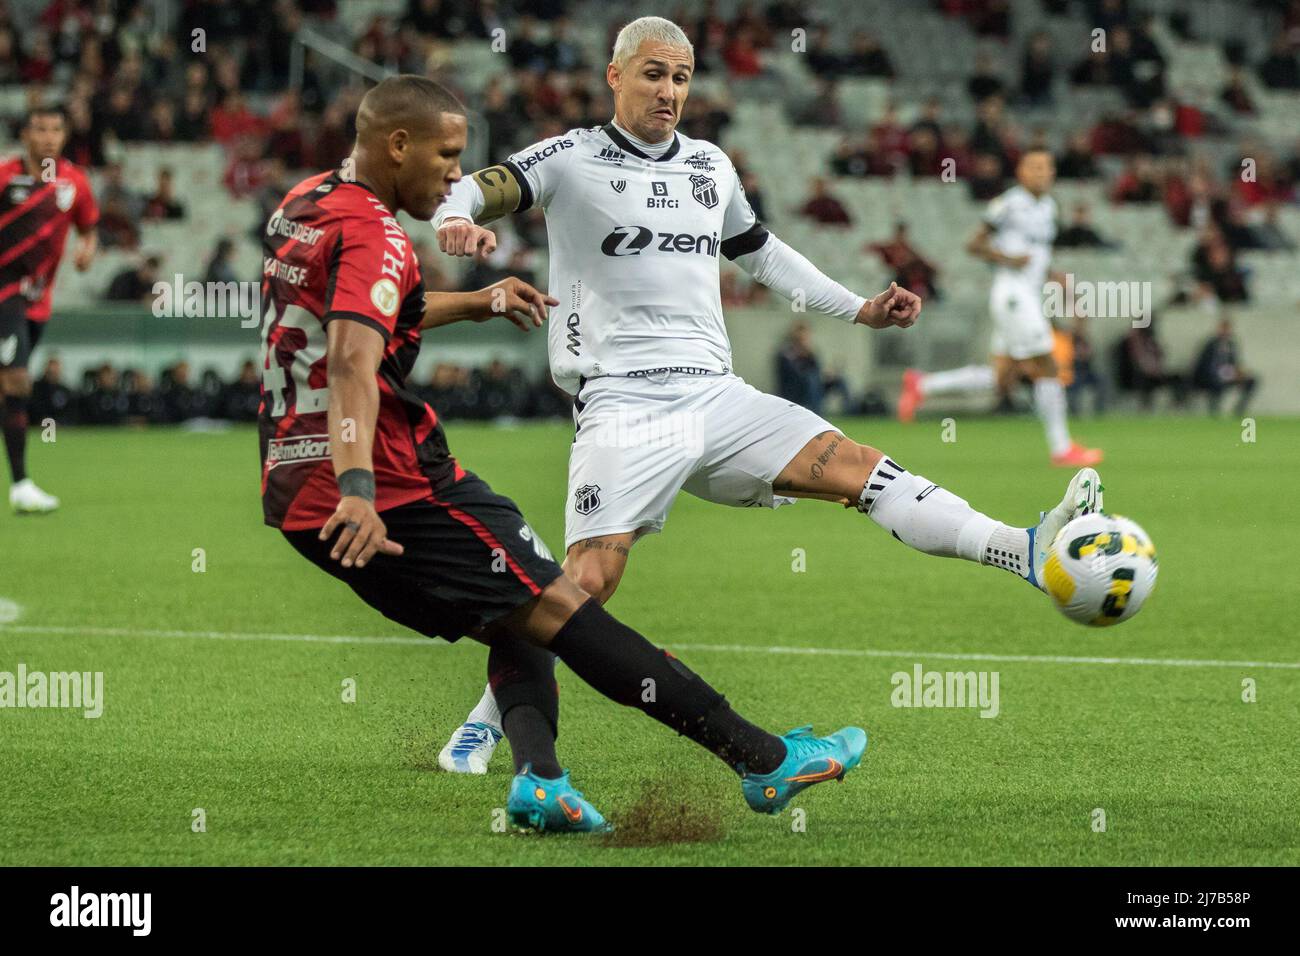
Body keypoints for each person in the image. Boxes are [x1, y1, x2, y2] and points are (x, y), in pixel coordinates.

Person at [432, 18, 1104, 774]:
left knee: (861, 468)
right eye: (653, 74)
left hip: (718, 396)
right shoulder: (571, 157)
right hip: (622, 404)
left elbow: (764, 256)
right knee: (584, 584)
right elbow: (477, 185)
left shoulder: (709, 167)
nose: (669, 91)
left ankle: (1024, 548)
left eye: (681, 78)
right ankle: (485, 727)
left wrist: (859, 307)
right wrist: (455, 217)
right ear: (614, 74)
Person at [260, 74, 868, 832]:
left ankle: (540, 781)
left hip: (296, 490)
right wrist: (358, 484)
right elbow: (352, 361)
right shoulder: (377, 236)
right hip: (387, 486)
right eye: (447, 156)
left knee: (521, 608)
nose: (456, 175)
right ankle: (763, 758)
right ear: (397, 144)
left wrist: (478, 301)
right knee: (559, 605)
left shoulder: (306, 204)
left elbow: (369, 315)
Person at [898, 150, 1103, 467]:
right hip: (1012, 294)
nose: (1042, 173)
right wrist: (1009, 260)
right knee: (1047, 364)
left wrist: (1054, 276)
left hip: (1029, 293)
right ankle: (1061, 448)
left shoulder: (1048, 207)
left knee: (1001, 379)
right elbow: (974, 244)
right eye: (1034, 167)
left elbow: (1036, 254)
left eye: (1047, 167)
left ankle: (922, 385)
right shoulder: (1008, 204)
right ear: (1020, 172)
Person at [0, 105, 98, 514]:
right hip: (4, 294)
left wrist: (86, 251)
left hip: (38, 302)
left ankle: (21, 482)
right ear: (24, 134)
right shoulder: (5, 177)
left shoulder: (74, 182)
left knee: (10, 387)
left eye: (55, 129)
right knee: (16, 381)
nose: (47, 137)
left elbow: (89, 228)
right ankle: (21, 483)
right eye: (39, 129)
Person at [1192, 319, 1256, 416]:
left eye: (1228, 329)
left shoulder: (1231, 345)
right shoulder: (1211, 344)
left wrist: (1239, 373)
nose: (1226, 331)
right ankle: (1214, 411)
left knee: (1251, 381)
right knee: (1217, 381)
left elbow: (1234, 362)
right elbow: (1204, 364)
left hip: (1228, 375)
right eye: (1223, 328)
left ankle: (1239, 410)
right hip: (1210, 377)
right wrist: (1219, 373)